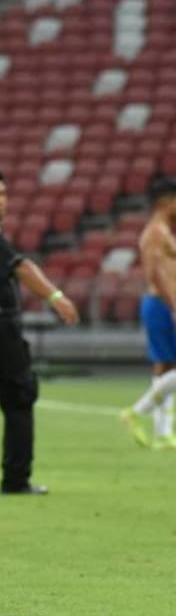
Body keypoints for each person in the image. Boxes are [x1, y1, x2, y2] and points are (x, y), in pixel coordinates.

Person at [0, 166, 79, 495]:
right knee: (19, 398)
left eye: (3, 194)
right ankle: (16, 479)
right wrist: (56, 296)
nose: (1, 202)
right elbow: (21, 266)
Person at [121, 178, 176, 449]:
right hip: (162, 304)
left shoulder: (163, 230)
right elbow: (154, 273)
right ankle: (135, 412)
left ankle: (163, 432)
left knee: (166, 367)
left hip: (163, 304)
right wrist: (174, 305)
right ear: (166, 202)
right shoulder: (156, 232)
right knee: (168, 368)